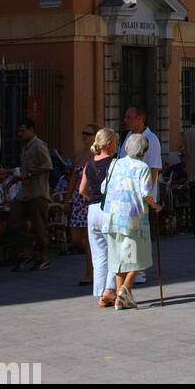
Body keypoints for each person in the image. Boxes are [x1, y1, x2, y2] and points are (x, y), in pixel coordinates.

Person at [103, 133, 161, 309]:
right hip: (133, 218)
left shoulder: (115, 164)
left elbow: (103, 187)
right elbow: (146, 193)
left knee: (119, 258)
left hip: (112, 217)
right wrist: (156, 206)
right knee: (137, 257)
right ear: (144, 150)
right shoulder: (142, 167)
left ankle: (122, 300)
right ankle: (124, 290)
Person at [7, 119, 53, 271]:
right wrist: (13, 177)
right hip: (24, 193)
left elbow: (47, 166)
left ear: (31, 130)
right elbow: (23, 168)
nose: (20, 134)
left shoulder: (39, 145)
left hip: (38, 192)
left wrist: (30, 174)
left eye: (23, 130)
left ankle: (44, 258)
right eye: (19, 131)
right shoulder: (25, 147)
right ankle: (27, 252)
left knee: (40, 226)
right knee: (14, 220)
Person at [80, 128, 118, 308]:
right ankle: (109, 291)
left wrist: (93, 200)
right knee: (114, 252)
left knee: (98, 255)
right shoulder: (114, 163)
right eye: (116, 143)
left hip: (92, 210)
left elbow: (82, 190)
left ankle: (99, 291)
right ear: (109, 144)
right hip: (108, 210)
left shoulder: (89, 164)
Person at [64, 123, 97, 287]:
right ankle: (96, 257)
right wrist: (68, 199)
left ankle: (89, 272)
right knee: (76, 238)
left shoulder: (97, 155)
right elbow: (73, 179)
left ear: (95, 137)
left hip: (90, 199)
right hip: (78, 200)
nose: (84, 136)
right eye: (83, 133)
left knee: (88, 237)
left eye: (88, 134)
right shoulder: (79, 154)